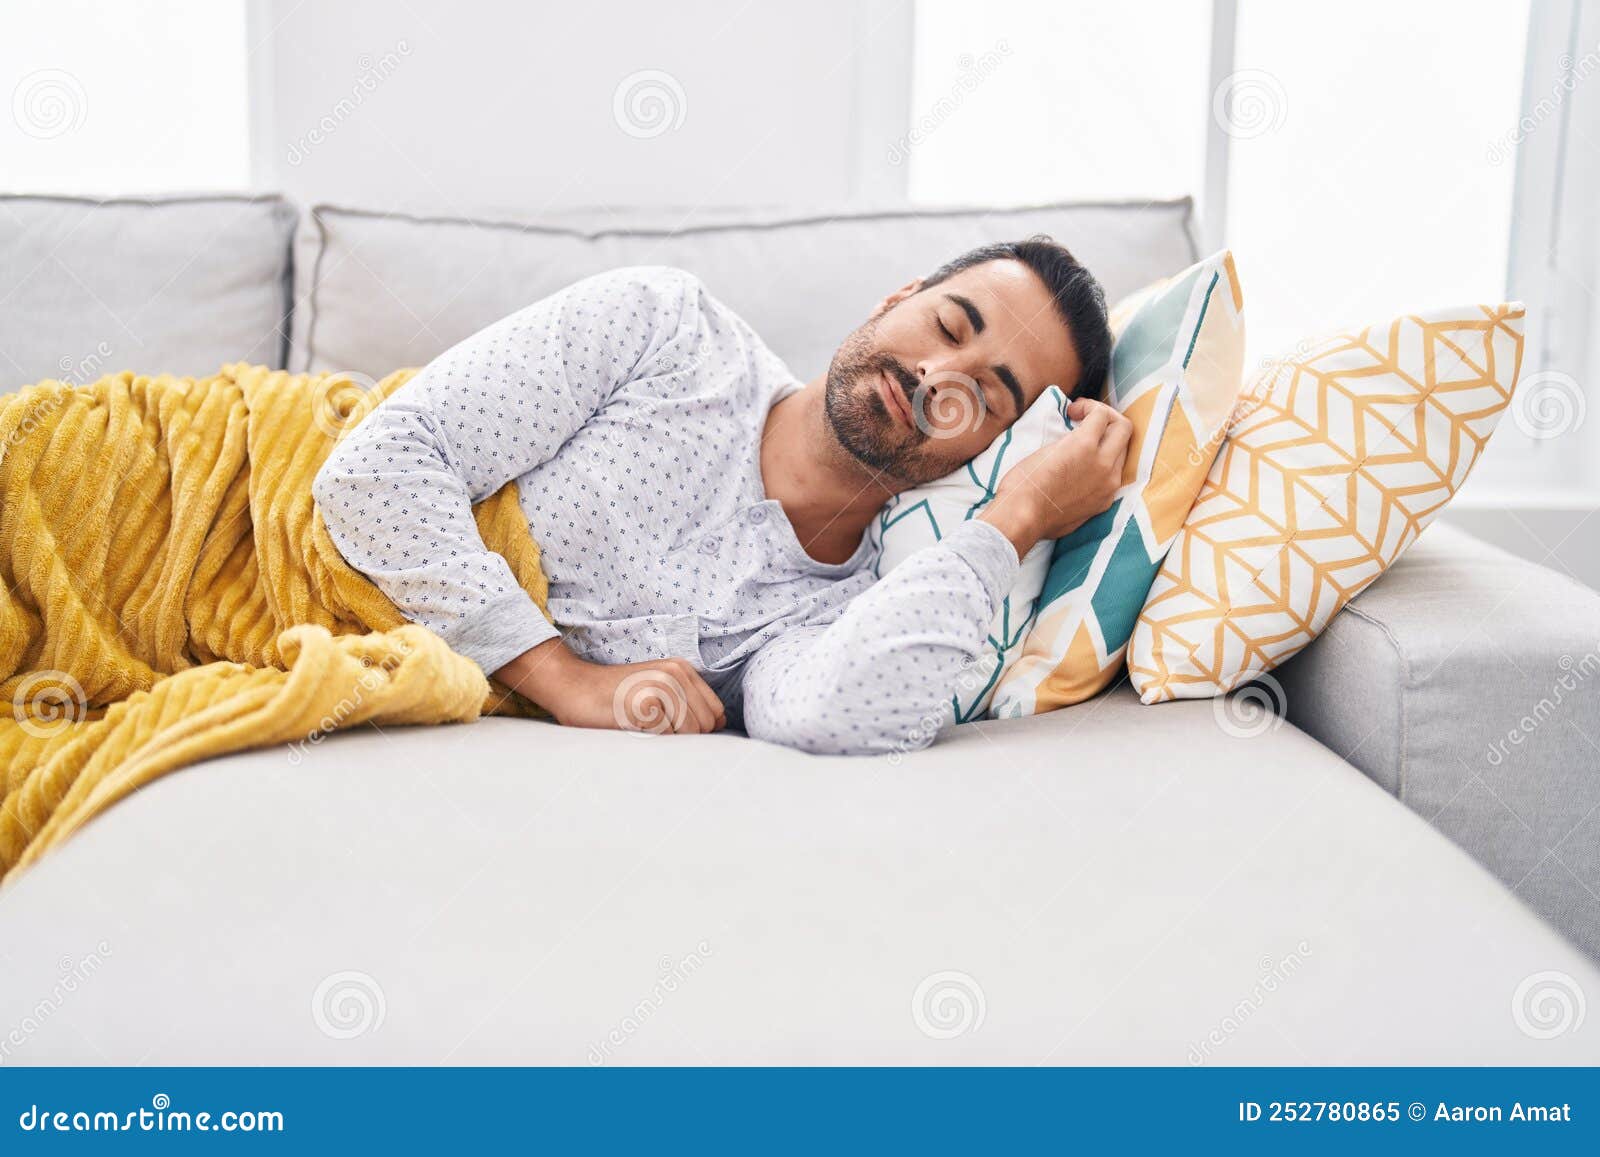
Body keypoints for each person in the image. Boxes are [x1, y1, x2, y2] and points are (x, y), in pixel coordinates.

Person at [312, 237, 1130, 754]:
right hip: (254, 490)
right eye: (948, 327)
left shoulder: (833, 611)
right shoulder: (666, 328)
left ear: (996, 452)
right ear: (896, 299)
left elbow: (838, 717)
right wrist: (561, 677)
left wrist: (1016, 520)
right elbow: (374, 467)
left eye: (986, 397)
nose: (935, 376)